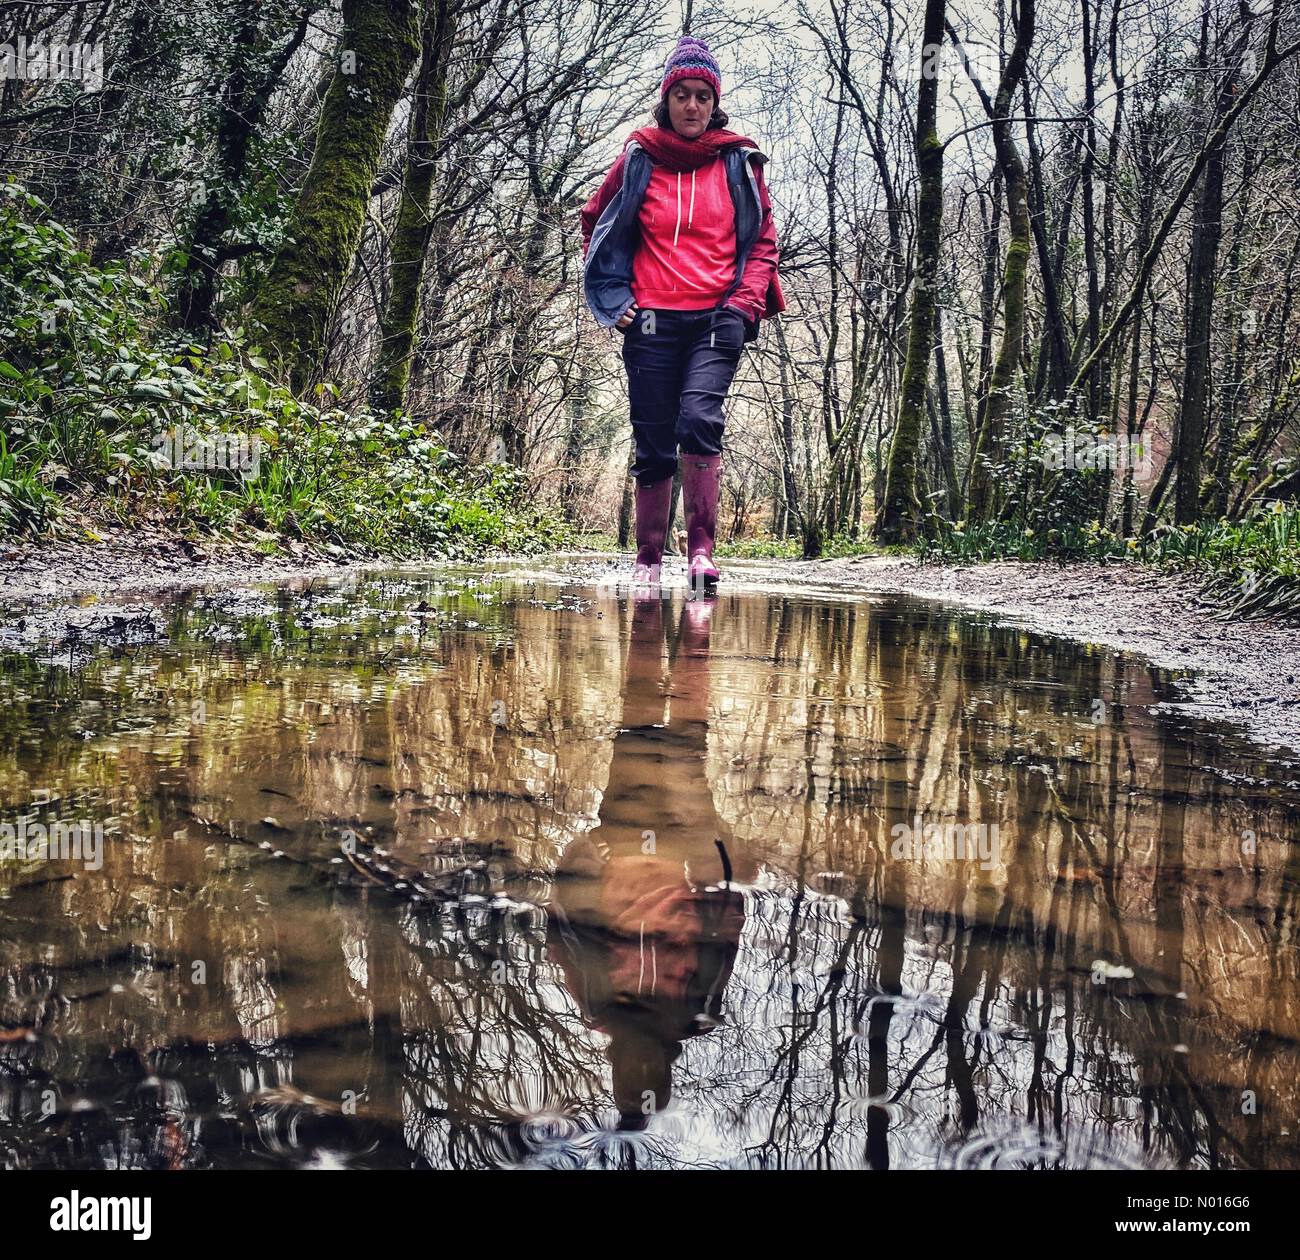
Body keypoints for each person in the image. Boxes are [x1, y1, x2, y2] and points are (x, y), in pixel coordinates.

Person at [579, 35, 786, 590]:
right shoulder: (639, 157)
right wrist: (617, 299)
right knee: (652, 439)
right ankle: (648, 559)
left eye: (701, 95)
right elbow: (596, 223)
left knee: (697, 418)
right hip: (650, 320)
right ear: (666, 99)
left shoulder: (739, 162)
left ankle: (700, 555)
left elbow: (764, 241)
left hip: (718, 317)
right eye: (681, 95)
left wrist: (744, 305)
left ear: (713, 101)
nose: (691, 105)